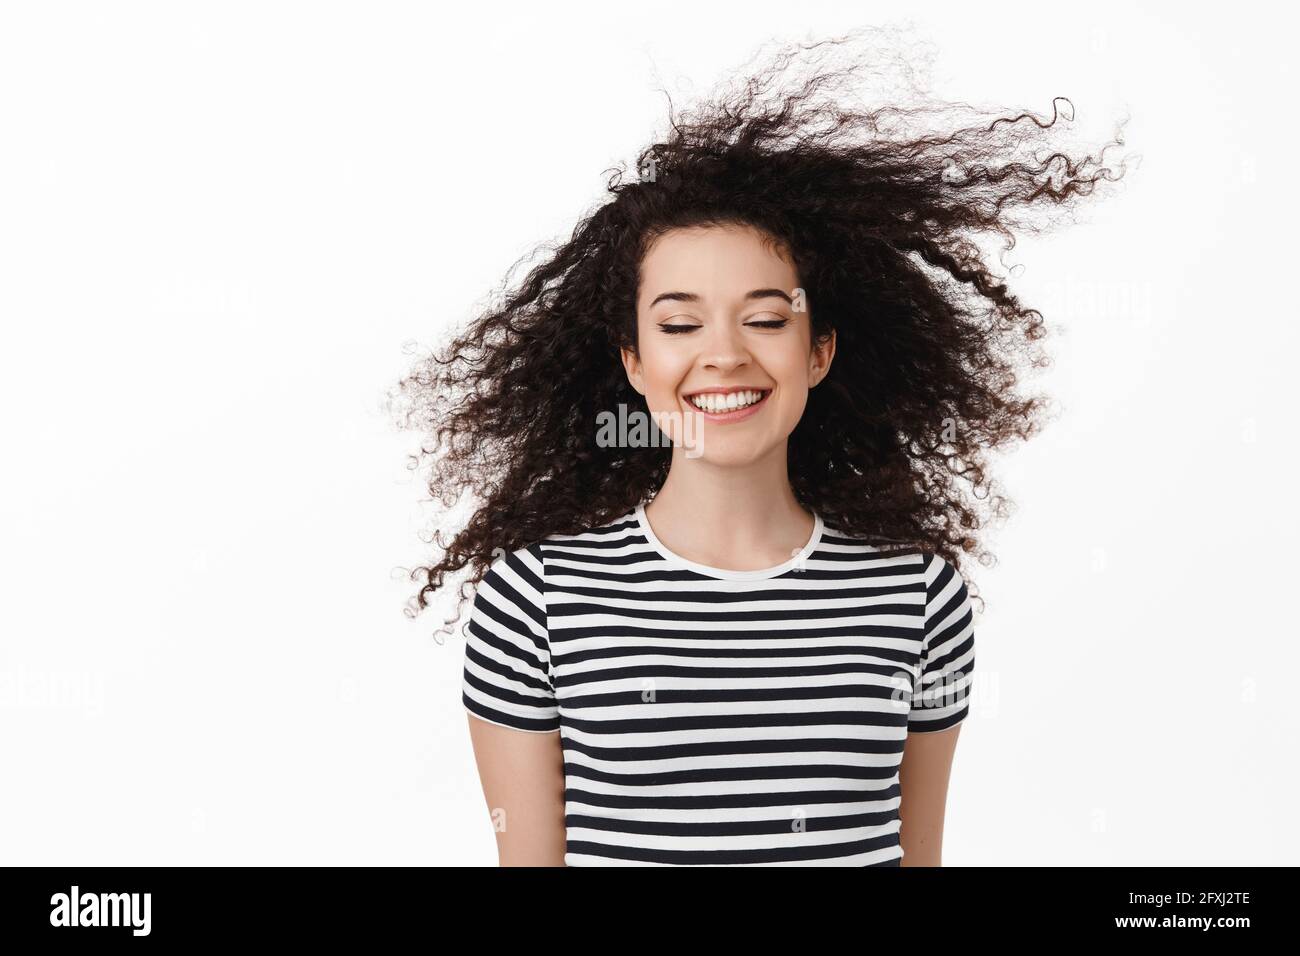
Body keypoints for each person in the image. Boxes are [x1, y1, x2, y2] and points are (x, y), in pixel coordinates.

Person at [393, 30, 1129, 865]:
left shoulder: (920, 595)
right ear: (633, 360)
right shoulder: (534, 601)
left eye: (768, 319)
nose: (725, 356)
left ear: (820, 351)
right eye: (678, 324)